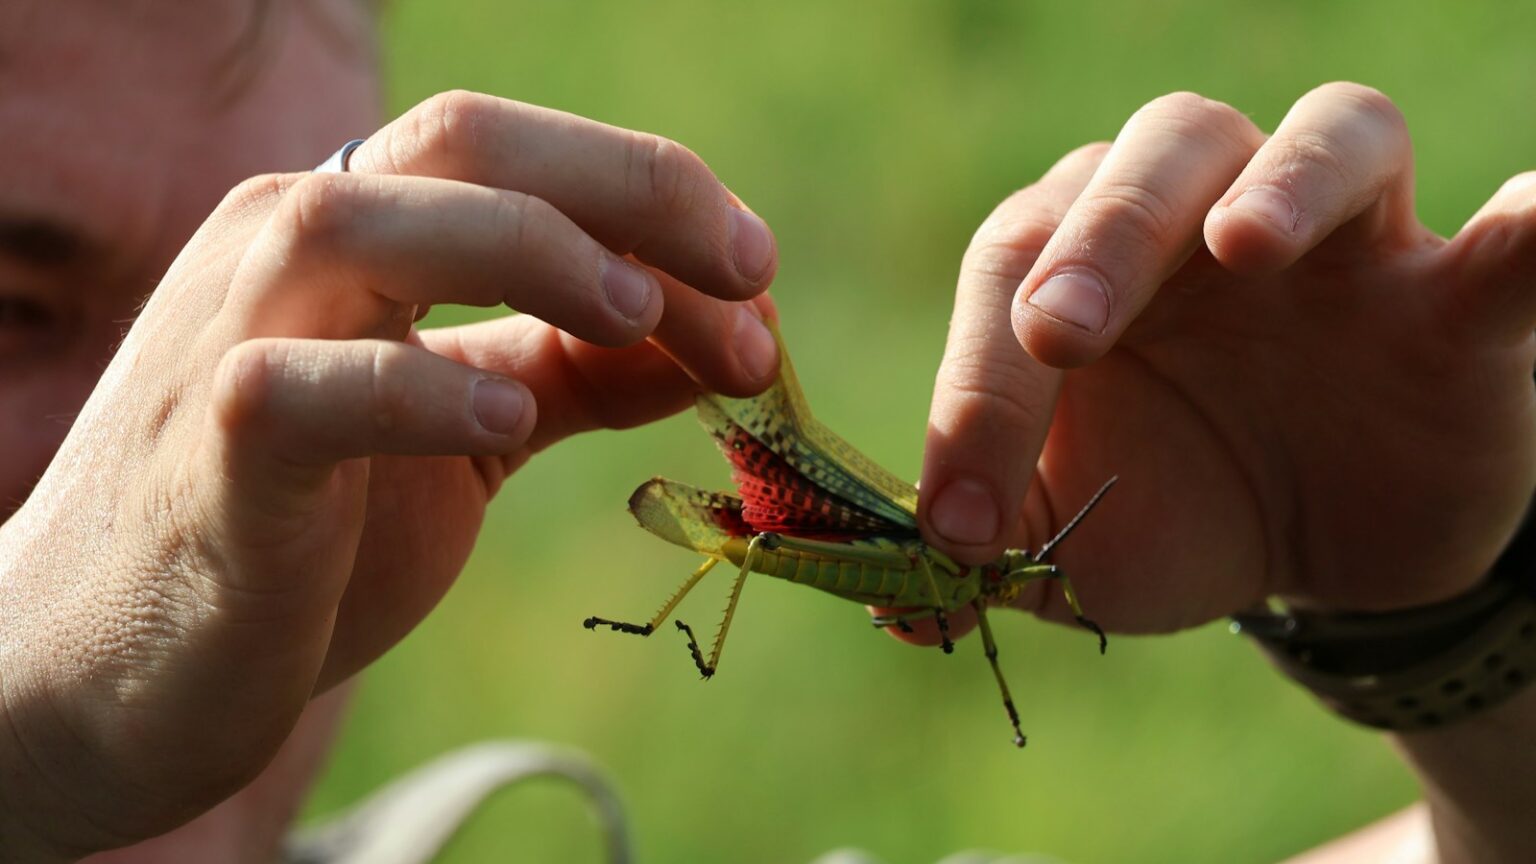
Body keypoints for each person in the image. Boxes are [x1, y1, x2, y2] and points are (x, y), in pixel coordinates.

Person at [0, 4, 1529, 863]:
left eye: (337, 302)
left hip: (848, 531)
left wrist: (1444, 628)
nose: (196, 427)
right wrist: (30, 732)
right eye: (7, 305)